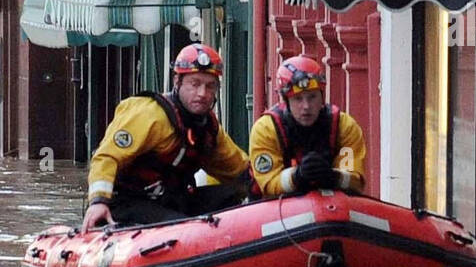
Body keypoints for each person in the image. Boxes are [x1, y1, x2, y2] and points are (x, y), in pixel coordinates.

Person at [81, 43, 250, 233]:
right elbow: (107, 157)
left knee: (235, 194)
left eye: (210, 86)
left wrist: (269, 184)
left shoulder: (208, 128)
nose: (202, 94)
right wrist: (98, 201)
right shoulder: (150, 114)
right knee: (183, 228)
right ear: (177, 81)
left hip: (172, 199)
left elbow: (238, 168)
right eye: (194, 84)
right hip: (127, 203)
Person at [248, 55, 366, 198]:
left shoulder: (344, 126)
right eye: (298, 99)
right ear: (286, 100)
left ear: (322, 96)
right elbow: (267, 184)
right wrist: (297, 176)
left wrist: (332, 175)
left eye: (312, 97)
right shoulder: (266, 129)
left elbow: (355, 181)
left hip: (331, 208)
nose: (306, 106)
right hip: (277, 210)